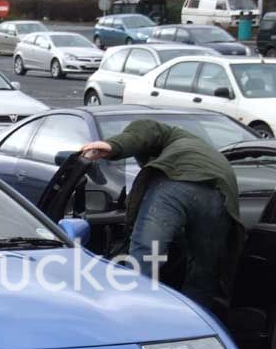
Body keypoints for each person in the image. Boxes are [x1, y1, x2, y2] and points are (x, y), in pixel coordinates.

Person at [80, 119, 243, 310]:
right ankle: (195, 323)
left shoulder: (167, 134)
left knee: (146, 255)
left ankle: (134, 311)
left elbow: (141, 132)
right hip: (220, 192)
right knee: (204, 270)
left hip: (175, 185)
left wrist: (112, 146)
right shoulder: (203, 150)